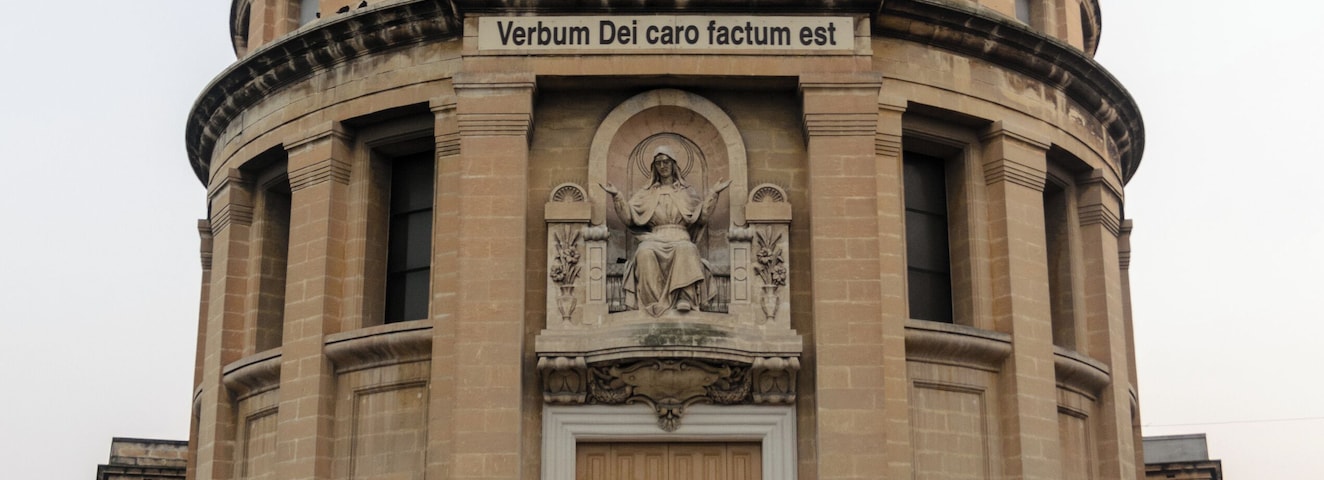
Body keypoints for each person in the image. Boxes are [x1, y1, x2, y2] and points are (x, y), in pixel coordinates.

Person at [601, 149, 730, 316]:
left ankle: (685, 298)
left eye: (666, 161)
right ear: (654, 167)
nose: (663, 165)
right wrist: (617, 196)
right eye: (659, 162)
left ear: (674, 164)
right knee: (644, 252)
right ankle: (652, 302)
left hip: (680, 235)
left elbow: (701, 216)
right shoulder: (647, 192)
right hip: (655, 237)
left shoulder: (686, 191)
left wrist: (714, 194)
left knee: (687, 249)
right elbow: (629, 217)